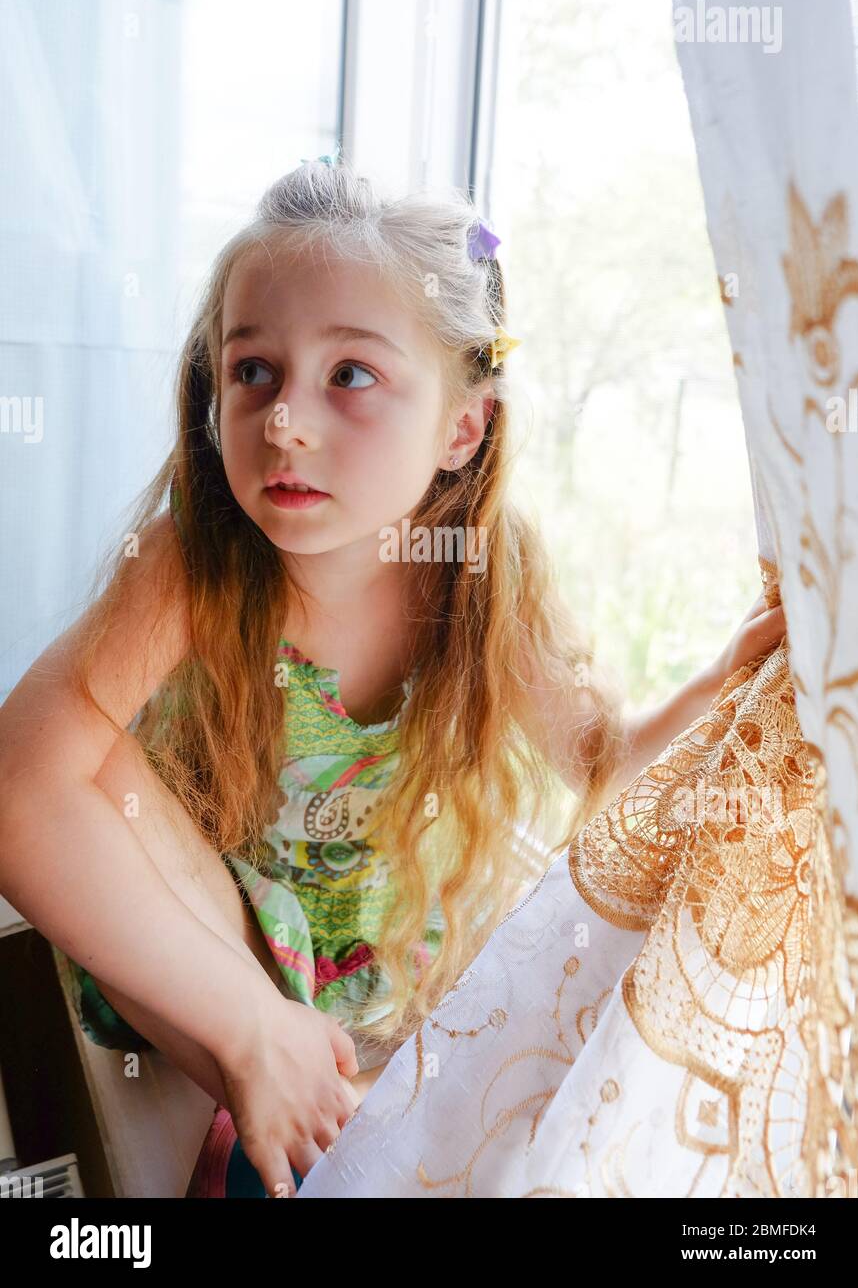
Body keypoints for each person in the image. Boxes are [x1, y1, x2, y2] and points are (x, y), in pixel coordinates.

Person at [0, 155, 785, 1198]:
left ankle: (297, 1112)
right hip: (204, 959)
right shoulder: (195, 560)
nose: (284, 422)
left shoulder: (481, 577)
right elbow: (20, 783)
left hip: (386, 983)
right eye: (253, 371)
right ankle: (256, 1093)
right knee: (77, 756)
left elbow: (604, 762)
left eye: (350, 374)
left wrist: (727, 675)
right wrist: (246, 1026)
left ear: (462, 427)